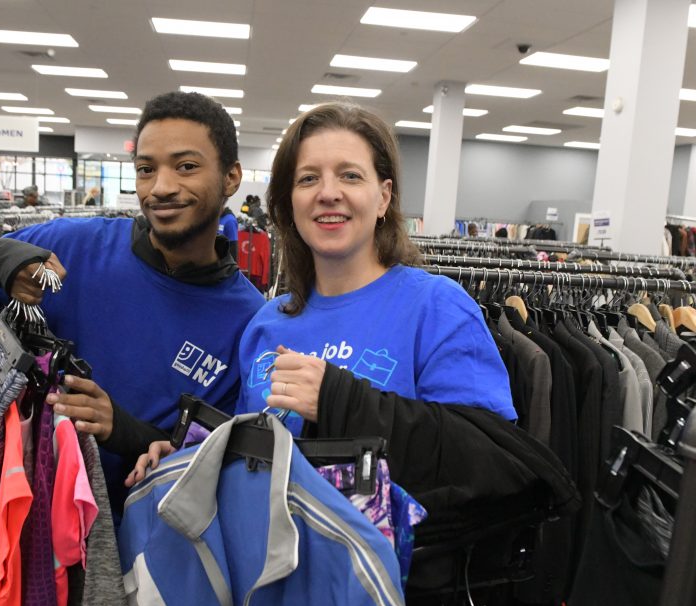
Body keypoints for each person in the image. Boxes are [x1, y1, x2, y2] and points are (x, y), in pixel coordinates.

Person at [0, 91, 266, 519]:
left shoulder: (248, 320)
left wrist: (123, 429)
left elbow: (218, 461)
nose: (161, 187)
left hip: (147, 537)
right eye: (146, 169)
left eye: (186, 166)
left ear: (231, 177)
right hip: (25, 526)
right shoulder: (70, 245)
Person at [128, 102, 516, 486]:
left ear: (383, 197)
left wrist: (339, 401)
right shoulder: (266, 323)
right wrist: (194, 454)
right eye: (308, 179)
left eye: (350, 176)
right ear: (290, 202)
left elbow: (489, 458)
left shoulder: (437, 307)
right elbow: (251, 457)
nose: (328, 193)